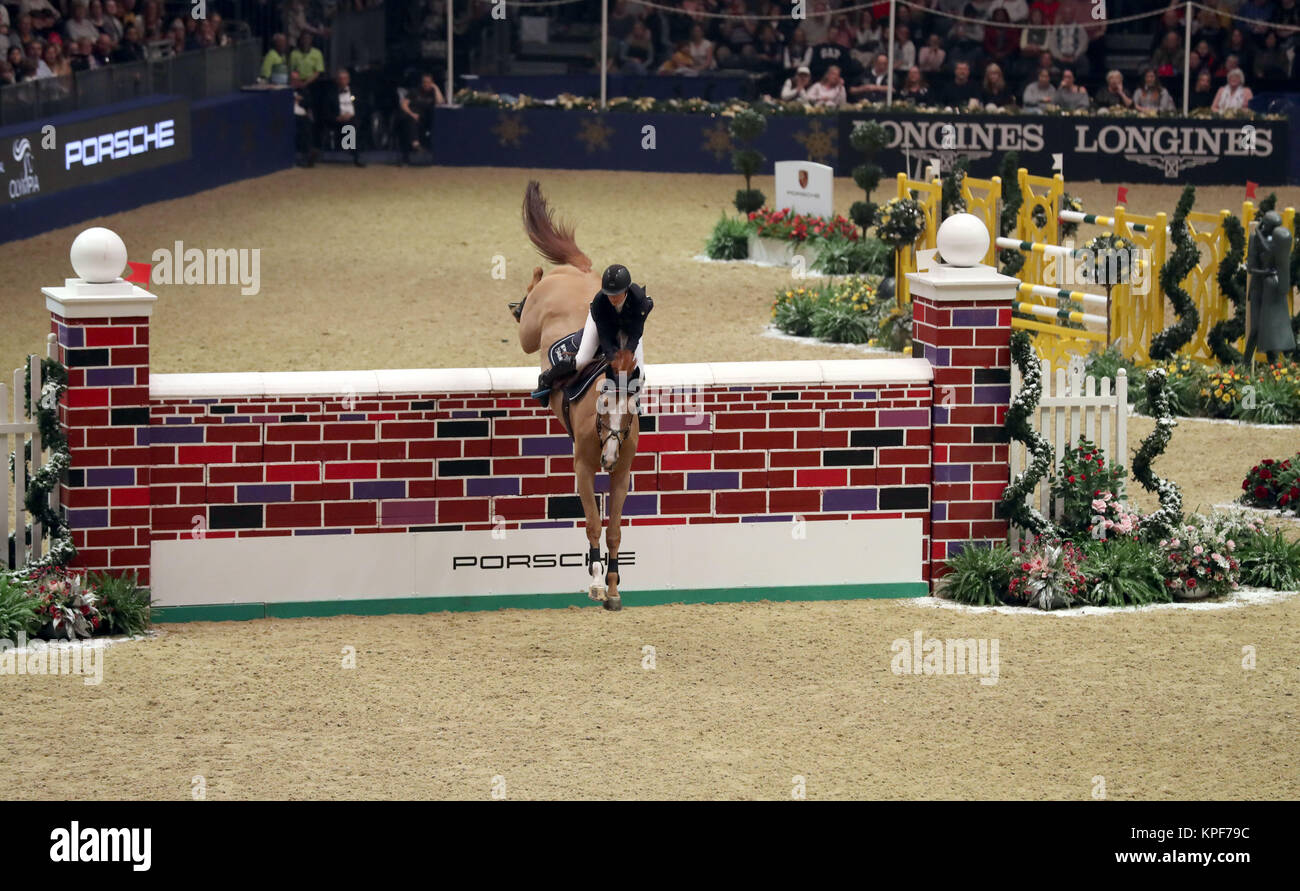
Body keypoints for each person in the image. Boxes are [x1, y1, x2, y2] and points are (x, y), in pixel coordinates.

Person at [533, 264, 653, 403]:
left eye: (617, 294)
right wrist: (614, 358)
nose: (612, 298)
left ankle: (635, 405)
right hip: (603, 323)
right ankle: (547, 379)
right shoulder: (600, 302)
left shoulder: (639, 300)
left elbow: (635, 334)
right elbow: (605, 337)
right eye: (609, 294)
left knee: (640, 372)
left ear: (626, 290)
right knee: (582, 360)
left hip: (629, 327)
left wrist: (627, 354)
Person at [1244, 211, 1297, 364]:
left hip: (1271, 289)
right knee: (1255, 329)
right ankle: (1245, 365)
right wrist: (1266, 272)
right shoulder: (1255, 239)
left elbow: (1282, 262)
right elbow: (1251, 268)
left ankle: (1273, 368)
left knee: (1271, 329)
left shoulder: (1276, 240)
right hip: (1258, 289)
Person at [397, 72, 444, 164]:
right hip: (411, 115)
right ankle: (415, 144)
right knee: (408, 121)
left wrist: (436, 88)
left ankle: (416, 144)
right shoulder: (414, 91)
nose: (426, 84)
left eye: (429, 82)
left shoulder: (432, 92)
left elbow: (440, 102)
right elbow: (404, 105)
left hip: (425, 119)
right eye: (424, 82)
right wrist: (411, 113)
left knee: (414, 122)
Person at [322, 69, 365, 167]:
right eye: (340, 79)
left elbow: (362, 107)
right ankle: (350, 150)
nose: (342, 81)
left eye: (344, 78)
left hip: (353, 118)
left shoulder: (356, 92)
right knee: (349, 126)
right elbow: (326, 110)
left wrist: (353, 116)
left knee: (353, 125)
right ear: (337, 80)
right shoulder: (330, 94)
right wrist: (337, 118)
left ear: (348, 80)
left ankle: (356, 156)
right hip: (337, 120)